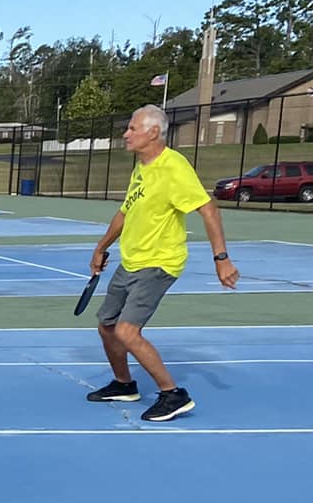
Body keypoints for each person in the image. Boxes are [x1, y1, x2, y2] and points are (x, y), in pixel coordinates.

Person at [85, 105, 240, 422]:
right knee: (107, 325)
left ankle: (173, 394)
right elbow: (125, 213)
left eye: (132, 128)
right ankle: (124, 384)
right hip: (131, 259)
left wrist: (221, 259)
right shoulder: (141, 167)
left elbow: (209, 209)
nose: (125, 134)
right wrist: (101, 247)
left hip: (159, 262)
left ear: (153, 132)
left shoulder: (174, 168)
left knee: (127, 332)